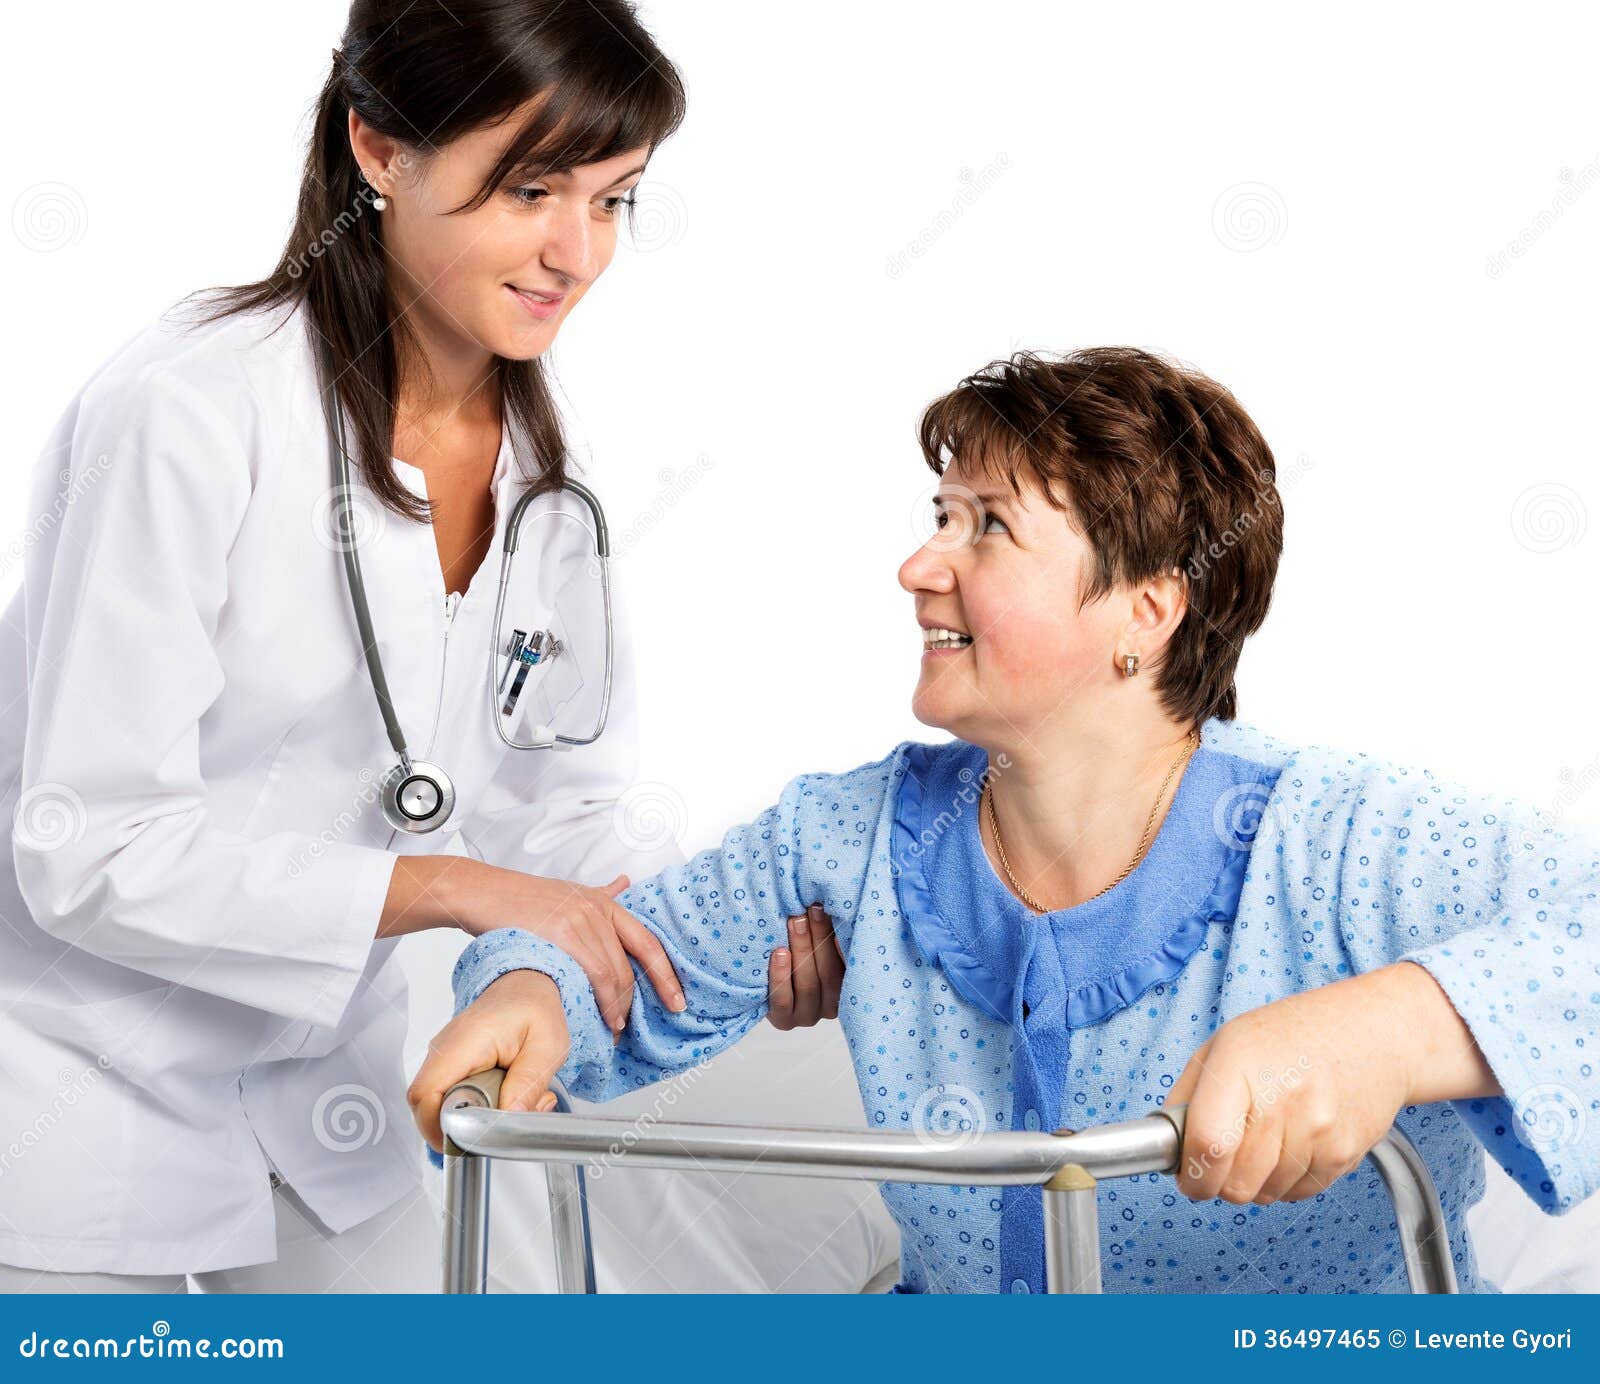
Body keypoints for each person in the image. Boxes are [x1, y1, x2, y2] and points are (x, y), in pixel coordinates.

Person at [411, 346, 1598, 1292]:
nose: (918, 565)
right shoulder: (850, 837)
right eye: (939, 513)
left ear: (1149, 606)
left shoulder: (1341, 843)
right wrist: (525, 984)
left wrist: (1390, 1026)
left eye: (985, 525)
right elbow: (613, 963)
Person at [0, 0, 840, 1293]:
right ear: (380, 152)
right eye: (532, 190)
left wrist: (758, 924)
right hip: (83, 1114)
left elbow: (563, 823)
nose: (577, 251)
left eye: (615, 200)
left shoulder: (556, 483)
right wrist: (448, 887)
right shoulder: (187, 411)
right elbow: (83, 846)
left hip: (329, 1104)